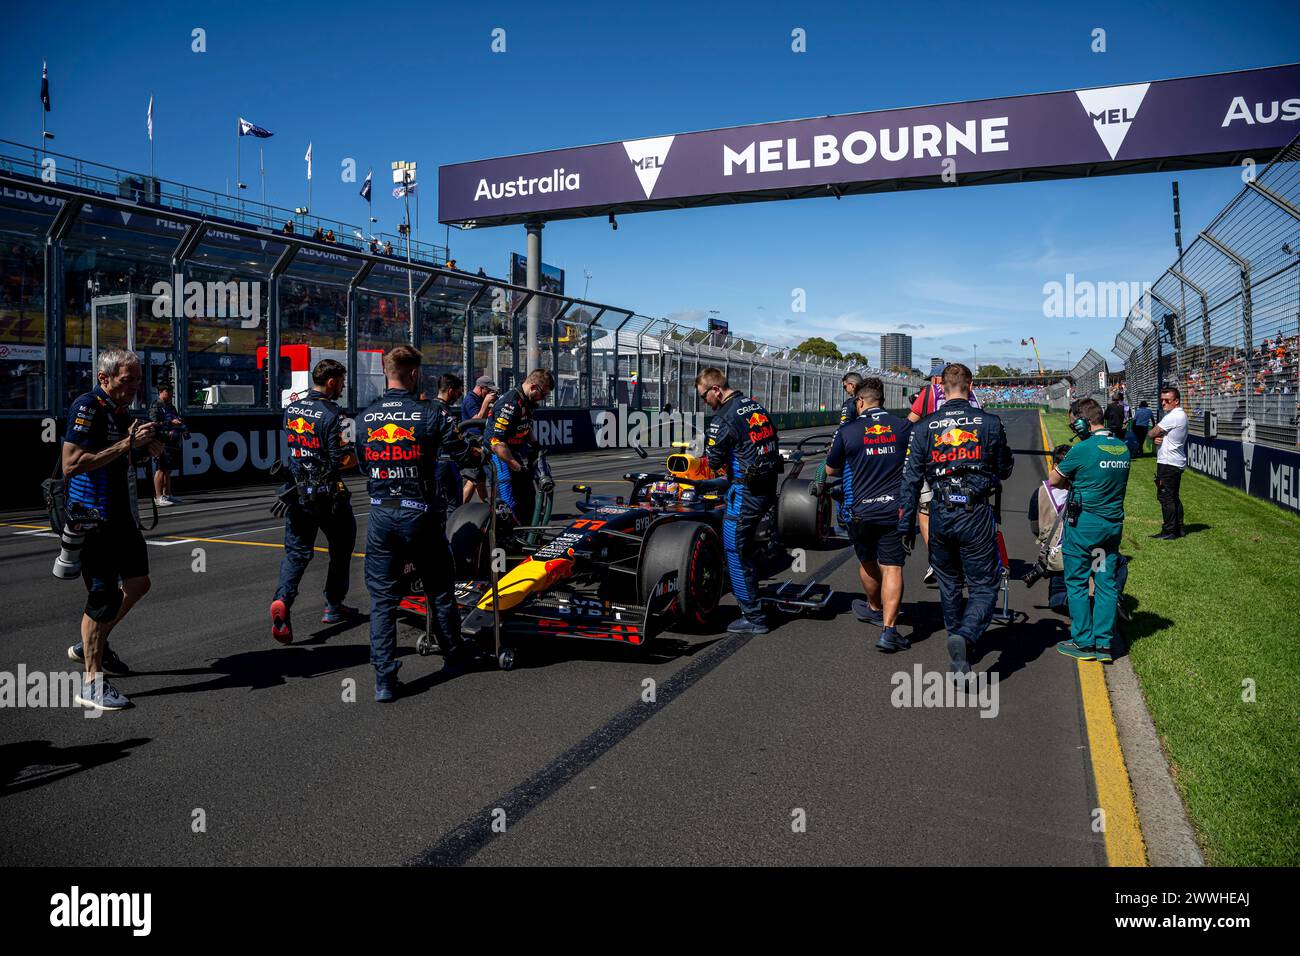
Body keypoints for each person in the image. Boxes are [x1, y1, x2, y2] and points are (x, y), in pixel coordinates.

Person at [360, 346, 478, 702]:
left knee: (382, 601)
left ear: (385, 372)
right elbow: (461, 453)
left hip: (380, 513)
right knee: (439, 589)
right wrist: (480, 452)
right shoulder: (430, 414)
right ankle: (454, 656)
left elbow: (364, 466)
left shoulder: (366, 418)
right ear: (413, 375)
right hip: (420, 514)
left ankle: (385, 681)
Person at [62, 348, 163, 711]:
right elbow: (71, 464)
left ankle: (91, 644)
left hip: (122, 516)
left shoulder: (121, 411)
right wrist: (127, 444)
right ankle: (91, 681)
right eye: (128, 379)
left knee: (139, 583)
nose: (136, 386)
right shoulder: (88, 406)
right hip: (93, 517)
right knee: (102, 599)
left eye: (138, 379)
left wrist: (143, 449)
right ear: (105, 379)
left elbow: (117, 456)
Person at [897, 363, 1013, 674]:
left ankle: (958, 649)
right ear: (970, 385)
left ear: (942, 388)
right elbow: (1004, 468)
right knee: (984, 585)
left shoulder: (924, 427)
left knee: (948, 583)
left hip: (940, 513)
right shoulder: (989, 423)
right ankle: (965, 635)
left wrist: (905, 523)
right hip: (974, 511)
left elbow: (910, 480)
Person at [269, 359, 357, 644]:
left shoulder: (292, 409)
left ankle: (283, 599)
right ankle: (333, 605)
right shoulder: (334, 414)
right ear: (331, 381)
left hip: (296, 491)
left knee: (296, 553)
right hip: (327, 494)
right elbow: (338, 460)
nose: (342, 387)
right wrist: (359, 456)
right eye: (341, 381)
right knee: (342, 546)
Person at [823, 378, 911, 651]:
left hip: (860, 510)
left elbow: (830, 470)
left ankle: (874, 606)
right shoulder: (903, 427)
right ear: (882, 399)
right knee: (893, 566)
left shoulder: (848, 431)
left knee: (867, 560)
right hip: (893, 509)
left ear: (859, 401)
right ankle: (889, 630)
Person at [697, 365, 783, 635]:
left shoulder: (722, 417)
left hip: (746, 490)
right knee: (747, 546)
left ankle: (754, 617)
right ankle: (756, 583)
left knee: (733, 548)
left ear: (715, 389)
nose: (704, 402)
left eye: (703, 396)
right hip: (768, 485)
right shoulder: (754, 405)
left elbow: (714, 462)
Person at [1049, 399, 1131, 663]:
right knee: (1106, 583)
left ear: (1083, 421)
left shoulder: (1082, 449)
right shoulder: (1122, 448)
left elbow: (1054, 480)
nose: (1074, 427)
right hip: (1111, 527)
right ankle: (1105, 644)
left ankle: (1084, 642)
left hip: (1084, 527)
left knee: (1077, 583)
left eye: (1074, 423)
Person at [908, 360, 983, 585]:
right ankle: (965, 559)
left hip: (933, 461)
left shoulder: (928, 393)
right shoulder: (972, 395)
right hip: (967, 461)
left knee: (926, 508)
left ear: (938, 379)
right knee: (968, 506)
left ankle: (936, 559)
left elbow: (910, 424)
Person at [488, 369, 554, 525]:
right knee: (507, 499)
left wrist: (536, 445)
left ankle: (528, 532)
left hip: (512, 453)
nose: (543, 399)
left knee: (528, 495)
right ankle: (507, 536)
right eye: (543, 394)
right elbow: (497, 444)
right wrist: (517, 467)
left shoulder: (528, 401)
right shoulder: (510, 404)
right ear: (533, 387)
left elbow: (525, 426)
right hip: (499, 455)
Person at [431, 373, 482, 525]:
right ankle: (452, 536)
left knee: (434, 504)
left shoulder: (426, 409)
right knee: (454, 504)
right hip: (446, 463)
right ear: (451, 390)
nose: (459, 396)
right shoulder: (444, 412)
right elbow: (455, 441)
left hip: (428, 465)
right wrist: (473, 452)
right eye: (459, 392)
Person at [1147, 386, 1188, 539]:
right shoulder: (1180, 415)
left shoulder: (1173, 416)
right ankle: (1179, 528)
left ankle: (1169, 531)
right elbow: (1159, 435)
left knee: (1166, 497)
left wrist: (1154, 435)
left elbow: (1152, 432)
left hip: (1168, 462)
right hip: (1174, 461)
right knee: (1173, 496)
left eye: (1167, 400)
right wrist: (1158, 438)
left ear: (1176, 401)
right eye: (1162, 400)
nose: (1163, 403)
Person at [460, 376, 497, 503]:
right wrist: (486, 403)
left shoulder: (478, 399)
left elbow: (485, 418)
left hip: (479, 439)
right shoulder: (470, 399)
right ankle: (459, 508)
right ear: (481, 388)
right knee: (473, 476)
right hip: (472, 441)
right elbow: (475, 420)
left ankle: (487, 505)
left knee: (479, 478)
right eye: (488, 390)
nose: (490, 394)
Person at [148, 383, 185, 507]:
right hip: (161, 442)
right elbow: (154, 424)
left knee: (167, 470)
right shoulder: (155, 406)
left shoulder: (171, 406)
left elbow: (176, 419)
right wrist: (171, 422)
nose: (170, 393)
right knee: (160, 469)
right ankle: (158, 497)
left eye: (171, 391)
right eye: (167, 391)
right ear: (160, 392)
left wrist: (180, 425)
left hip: (172, 442)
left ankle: (167, 494)